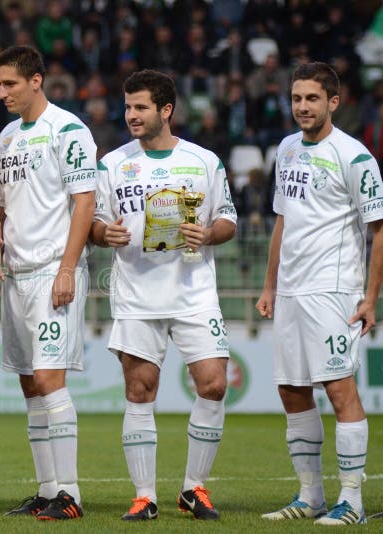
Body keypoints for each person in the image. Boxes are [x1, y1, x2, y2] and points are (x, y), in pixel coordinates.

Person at [90, 69, 237, 521]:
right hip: (137, 295)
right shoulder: (112, 163)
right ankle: (145, 496)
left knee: (213, 383)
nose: (130, 115)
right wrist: (105, 233)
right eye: (128, 107)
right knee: (140, 390)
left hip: (194, 292)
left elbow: (229, 220)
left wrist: (208, 233)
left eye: (140, 107)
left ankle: (194, 489)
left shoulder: (204, 162)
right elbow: (93, 222)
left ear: (166, 110)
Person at [256, 62, 383, 526]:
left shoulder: (354, 156)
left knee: (338, 389)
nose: (302, 107)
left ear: (333, 101)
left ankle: (352, 499)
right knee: (292, 390)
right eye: (296, 98)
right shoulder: (287, 149)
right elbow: (282, 222)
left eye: (312, 98)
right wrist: (270, 284)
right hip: (291, 290)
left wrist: (370, 297)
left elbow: (379, 230)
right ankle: (311, 495)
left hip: (333, 290)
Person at [0, 45, 95, 521]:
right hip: (18, 273)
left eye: (10, 83)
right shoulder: (8, 136)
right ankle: (47, 488)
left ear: (36, 80)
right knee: (31, 384)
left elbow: (85, 203)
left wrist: (69, 268)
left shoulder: (68, 130)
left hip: (54, 269)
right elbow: (5, 196)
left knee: (51, 379)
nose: (1, 92)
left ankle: (69, 492)